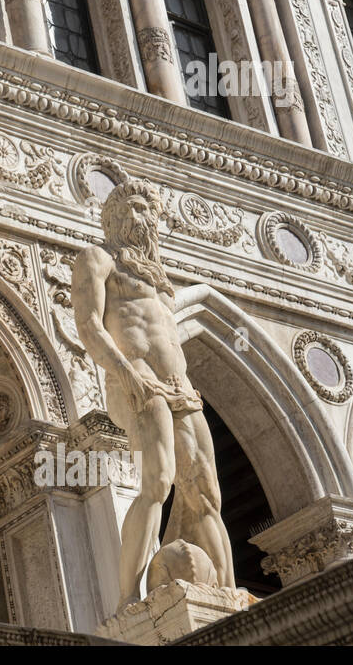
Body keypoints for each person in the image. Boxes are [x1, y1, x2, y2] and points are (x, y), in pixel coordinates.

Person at [71, 178, 234, 608]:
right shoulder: (97, 259)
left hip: (181, 387)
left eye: (148, 210)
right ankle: (128, 598)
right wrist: (126, 373)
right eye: (132, 208)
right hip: (136, 378)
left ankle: (230, 592)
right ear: (111, 217)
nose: (141, 217)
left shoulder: (161, 282)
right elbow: (88, 325)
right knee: (157, 481)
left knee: (205, 491)